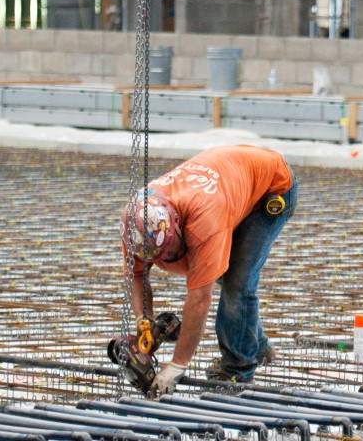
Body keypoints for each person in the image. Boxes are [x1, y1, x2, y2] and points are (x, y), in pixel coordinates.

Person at [121, 144, 296, 394]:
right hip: (231, 180)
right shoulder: (136, 224)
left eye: (169, 251)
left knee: (237, 281)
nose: (168, 259)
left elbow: (199, 300)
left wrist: (177, 365)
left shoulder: (204, 220)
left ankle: (238, 371)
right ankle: (257, 348)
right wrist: (143, 319)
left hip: (271, 187)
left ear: (177, 225)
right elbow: (136, 275)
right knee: (226, 274)